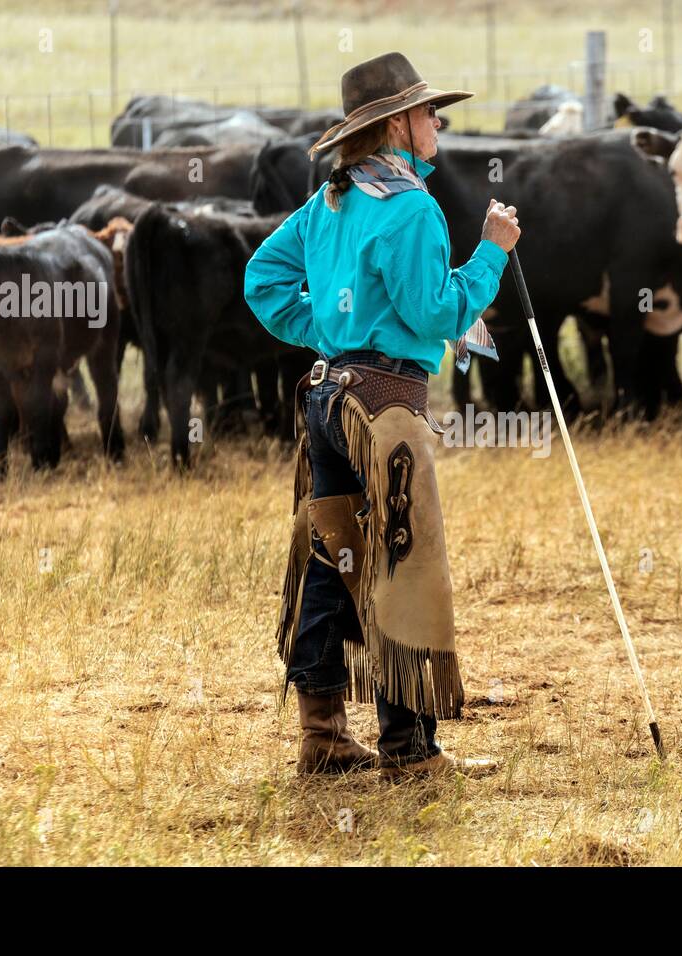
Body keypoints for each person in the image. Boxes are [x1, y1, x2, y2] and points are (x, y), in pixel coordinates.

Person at [244, 51, 521, 779]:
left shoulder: (329, 201)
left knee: (331, 560)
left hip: (326, 398)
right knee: (406, 563)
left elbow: (262, 280)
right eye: (431, 112)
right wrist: (490, 255)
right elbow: (436, 312)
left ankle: (325, 737)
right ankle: (410, 748)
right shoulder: (411, 208)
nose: (439, 122)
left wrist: (329, 335)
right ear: (399, 122)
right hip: (386, 407)